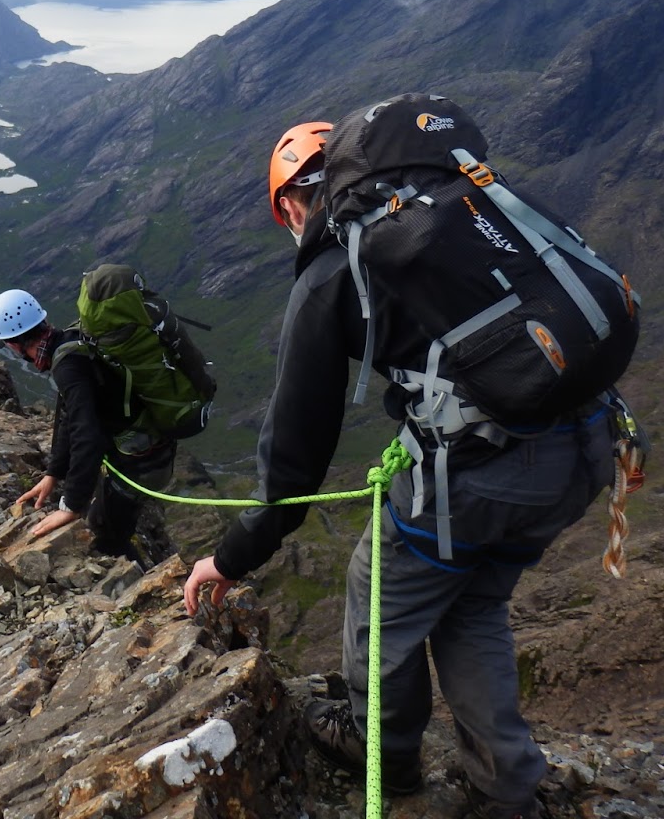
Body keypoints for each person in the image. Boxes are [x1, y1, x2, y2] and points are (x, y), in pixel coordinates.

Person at [181, 121, 615, 819]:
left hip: (481, 474)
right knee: (470, 605)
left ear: (291, 203)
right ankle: (506, 788)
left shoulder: (334, 270)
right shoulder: (458, 211)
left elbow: (294, 450)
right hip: (587, 442)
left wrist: (232, 557)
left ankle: (380, 747)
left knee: (376, 587)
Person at [0, 287, 175, 560]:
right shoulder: (71, 342)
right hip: (147, 444)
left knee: (104, 532)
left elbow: (87, 436)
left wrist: (71, 506)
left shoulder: (67, 366)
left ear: (15, 344)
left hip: (144, 461)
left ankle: (137, 589)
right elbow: (70, 418)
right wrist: (53, 474)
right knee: (102, 515)